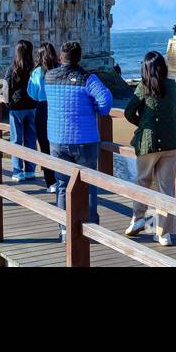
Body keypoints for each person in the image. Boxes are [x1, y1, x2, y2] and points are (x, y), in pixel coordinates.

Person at [43, 41, 113, 239]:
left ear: (60, 57)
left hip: (57, 139)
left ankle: (65, 229)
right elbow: (106, 102)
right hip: (85, 139)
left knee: (63, 185)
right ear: (79, 58)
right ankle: (90, 228)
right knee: (89, 185)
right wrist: (97, 109)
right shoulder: (87, 79)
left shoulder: (49, 77)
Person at [123, 51, 176, 246]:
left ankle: (139, 219)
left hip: (148, 142)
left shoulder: (143, 87)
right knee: (165, 188)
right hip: (171, 141)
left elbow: (128, 112)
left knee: (143, 181)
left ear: (145, 69)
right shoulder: (172, 85)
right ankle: (163, 233)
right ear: (163, 68)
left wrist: (143, 124)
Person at [27, 42, 60, 192]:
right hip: (58, 108)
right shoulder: (60, 69)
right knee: (59, 145)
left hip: (42, 108)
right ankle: (62, 178)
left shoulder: (37, 72)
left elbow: (31, 93)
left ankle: (50, 182)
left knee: (45, 146)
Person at [5, 40, 39, 182]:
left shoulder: (12, 69)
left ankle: (17, 171)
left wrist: (8, 103)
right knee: (31, 139)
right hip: (32, 106)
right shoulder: (34, 68)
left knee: (16, 139)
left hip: (17, 107)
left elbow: (6, 89)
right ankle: (30, 170)